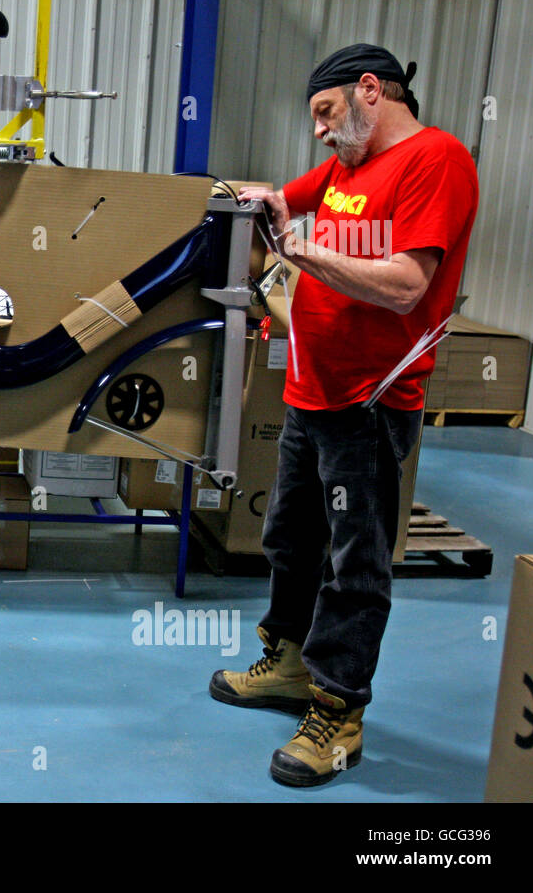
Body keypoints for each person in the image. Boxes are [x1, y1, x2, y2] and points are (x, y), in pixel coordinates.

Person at [212, 43, 479, 787]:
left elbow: (404, 285)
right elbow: (282, 196)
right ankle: (290, 662)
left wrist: (299, 251)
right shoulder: (345, 170)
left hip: (369, 400)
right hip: (310, 390)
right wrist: (253, 201)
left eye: (327, 114)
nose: (321, 133)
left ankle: (338, 712)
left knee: (354, 563)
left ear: (370, 90)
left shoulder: (436, 160)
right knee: (289, 537)